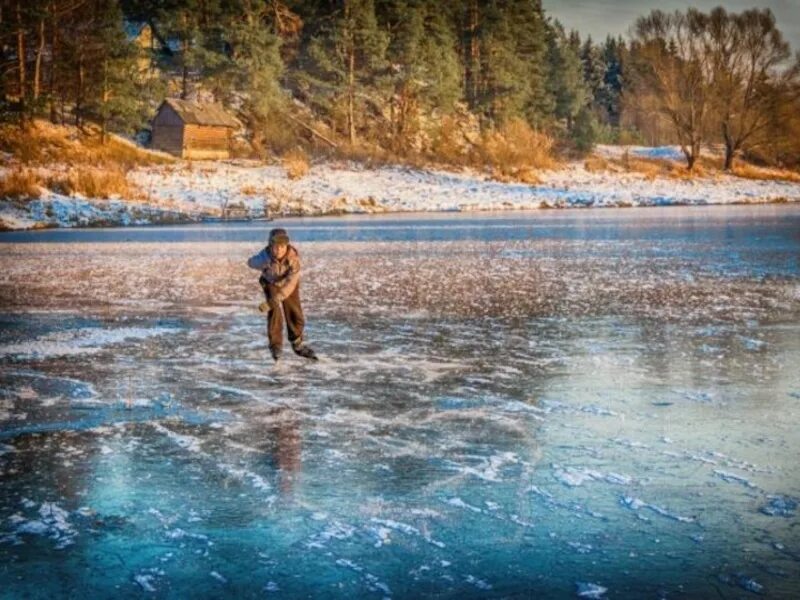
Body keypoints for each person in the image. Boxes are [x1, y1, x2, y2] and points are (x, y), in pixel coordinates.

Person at [247, 228, 317, 362]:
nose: (279, 250)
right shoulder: (264, 256)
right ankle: (275, 345)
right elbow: (250, 262)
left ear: (287, 246)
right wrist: (261, 263)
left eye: (282, 247)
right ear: (270, 246)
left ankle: (297, 342)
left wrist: (276, 299)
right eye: (275, 247)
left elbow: (291, 283)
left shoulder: (293, 259)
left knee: (294, 312)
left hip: (288, 284)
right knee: (274, 312)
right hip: (270, 282)